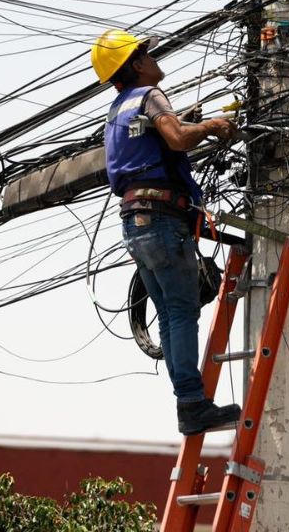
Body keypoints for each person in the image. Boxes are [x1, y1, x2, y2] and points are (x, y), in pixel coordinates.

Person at [90, 29, 241, 436]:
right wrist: (211, 126)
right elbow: (175, 139)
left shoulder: (116, 112)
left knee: (171, 314)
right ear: (137, 64)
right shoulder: (150, 96)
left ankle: (188, 402)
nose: (155, 60)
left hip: (134, 222)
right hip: (160, 218)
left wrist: (192, 125)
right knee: (182, 310)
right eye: (148, 54)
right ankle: (192, 403)